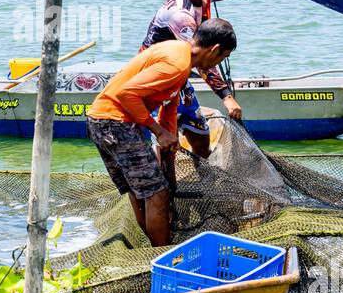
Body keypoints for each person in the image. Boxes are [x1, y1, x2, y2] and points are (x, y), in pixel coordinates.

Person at [87, 18, 237, 247]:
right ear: (214, 49)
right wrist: (157, 132)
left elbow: (169, 104)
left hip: (101, 119)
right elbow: (127, 95)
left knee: (140, 191)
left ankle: (151, 249)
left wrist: (170, 139)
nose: (217, 64)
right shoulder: (177, 64)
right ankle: (163, 255)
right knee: (157, 194)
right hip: (116, 123)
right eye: (222, 58)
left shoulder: (178, 52)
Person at [140, 0, 297, 157]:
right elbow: (202, 59)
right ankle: (167, 186)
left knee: (202, 141)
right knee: (167, 147)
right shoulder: (179, 15)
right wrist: (226, 96)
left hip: (179, 80)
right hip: (155, 82)